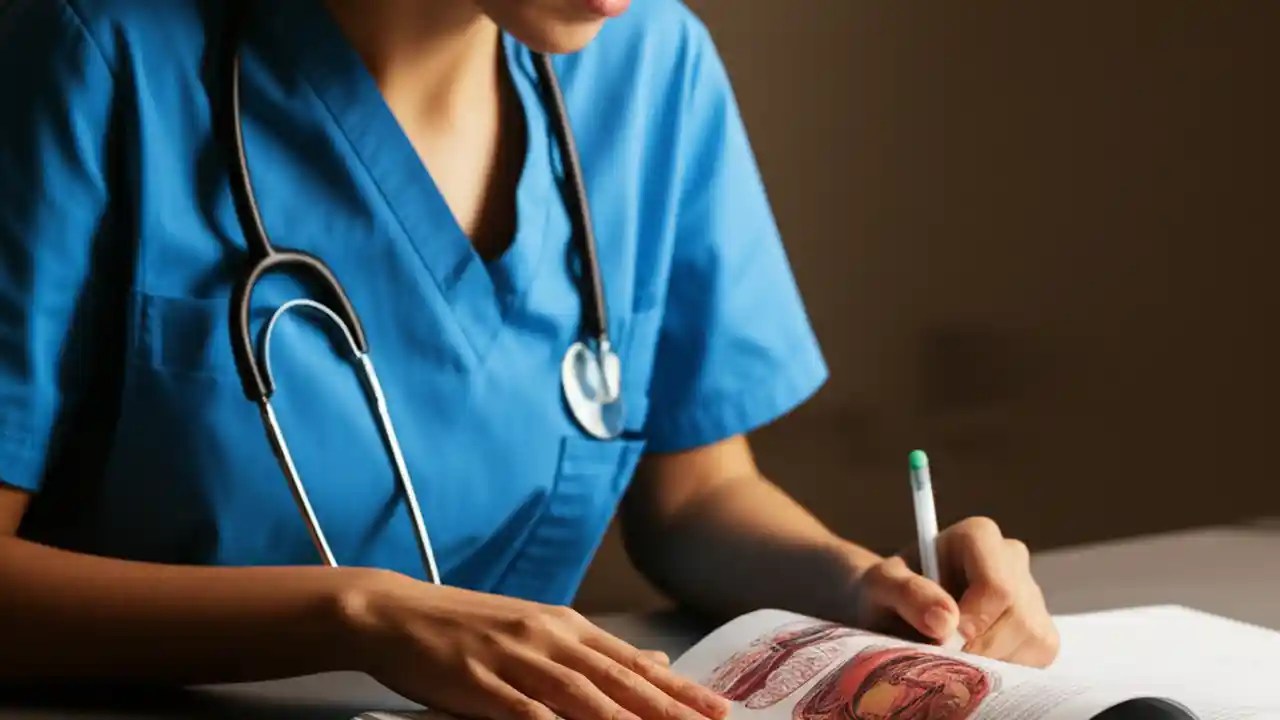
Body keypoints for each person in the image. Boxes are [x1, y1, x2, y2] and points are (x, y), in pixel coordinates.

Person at [0, 0, 1058, 718]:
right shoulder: (88, 54)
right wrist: (362, 617)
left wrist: (861, 585)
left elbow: (695, 500)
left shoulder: (651, 68)